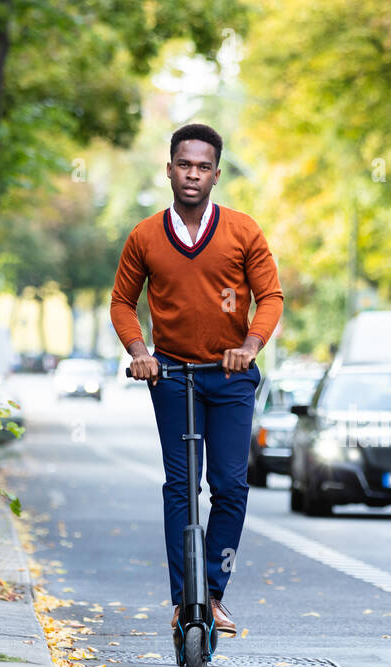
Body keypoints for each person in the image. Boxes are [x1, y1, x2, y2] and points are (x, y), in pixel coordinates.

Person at [110, 123, 283, 638]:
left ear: (216, 174)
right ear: (169, 169)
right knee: (180, 488)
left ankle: (213, 594)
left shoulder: (243, 231)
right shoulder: (144, 235)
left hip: (230, 379)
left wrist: (249, 346)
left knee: (229, 487)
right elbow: (122, 302)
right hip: (172, 377)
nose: (192, 174)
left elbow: (269, 297)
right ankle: (184, 599)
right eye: (184, 164)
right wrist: (140, 353)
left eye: (202, 167)